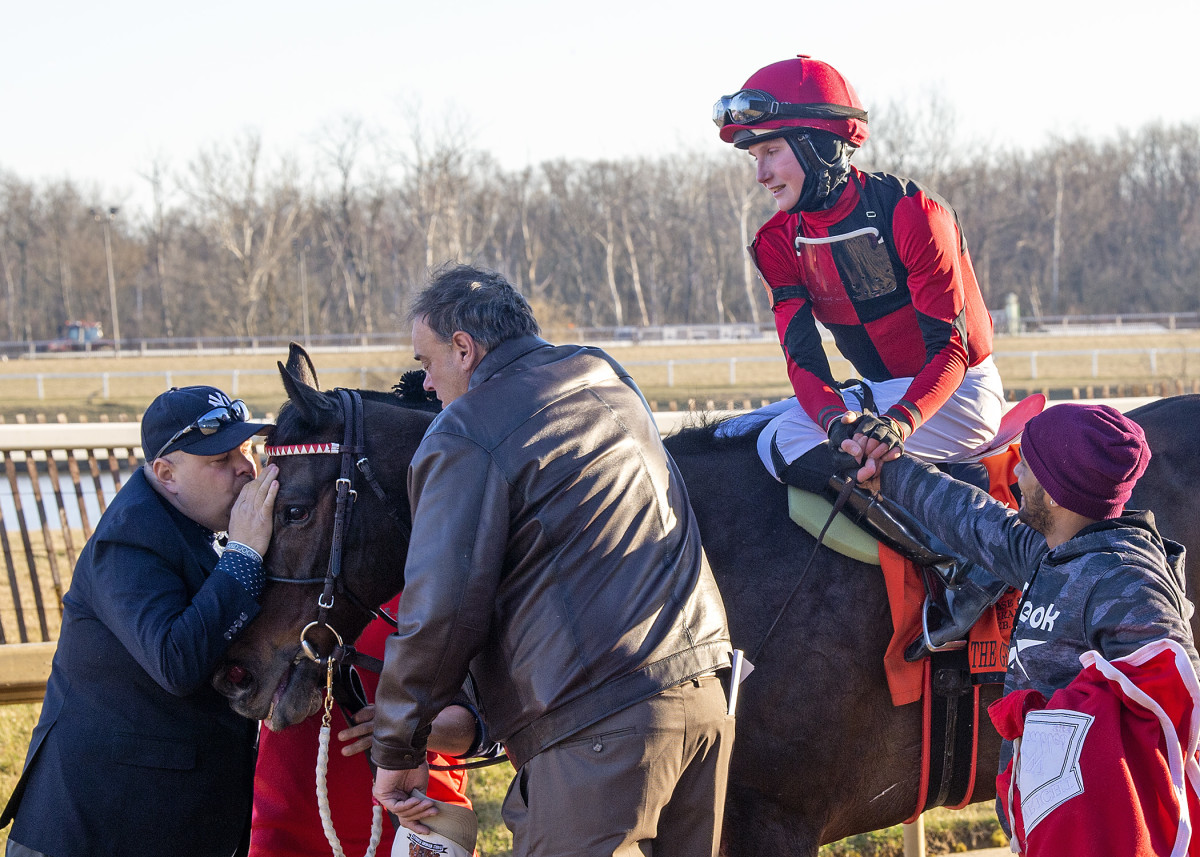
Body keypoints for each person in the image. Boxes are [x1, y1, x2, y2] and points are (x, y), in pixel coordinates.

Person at [368, 264, 735, 857]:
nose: (427, 384)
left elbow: (441, 612)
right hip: (705, 697)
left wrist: (397, 748)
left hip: (598, 728)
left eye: (426, 362)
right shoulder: (605, 376)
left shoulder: (464, 431)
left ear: (464, 348)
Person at [713, 54, 1009, 648]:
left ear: (820, 142)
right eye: (753, 157)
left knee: (786, 441)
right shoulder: (777, 241)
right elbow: (803, 361)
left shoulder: (914, 215)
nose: (760, 174)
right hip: (880, 396)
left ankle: (968, 557)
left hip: (956, 392)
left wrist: (894, 426)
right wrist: (838, 421)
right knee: (747, 435)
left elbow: (950, 351)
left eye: (770, 151)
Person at [845, 402, 1200, 841]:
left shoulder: (1124, 580)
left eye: (1027, 467)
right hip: (1045, 832)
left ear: (1054, 492)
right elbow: (971, 517)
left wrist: (1054, 719)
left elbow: (1176, 689)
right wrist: (889, 468)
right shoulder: (1049, 551)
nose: (1015, 476)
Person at [0, 386, 278, 857]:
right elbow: (176, 662)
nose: (245, 469)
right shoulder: (129, 540)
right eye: (219, 458)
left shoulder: (196, 525)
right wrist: (245, 557)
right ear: (166, 473)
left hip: (165, 824)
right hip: (93, 831)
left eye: (246, 450)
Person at [249, 594, 482, 857]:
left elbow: (480, 727)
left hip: (417, 828)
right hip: (284, 832)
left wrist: (407, 730)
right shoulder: (275, 580)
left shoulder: (437, 581)